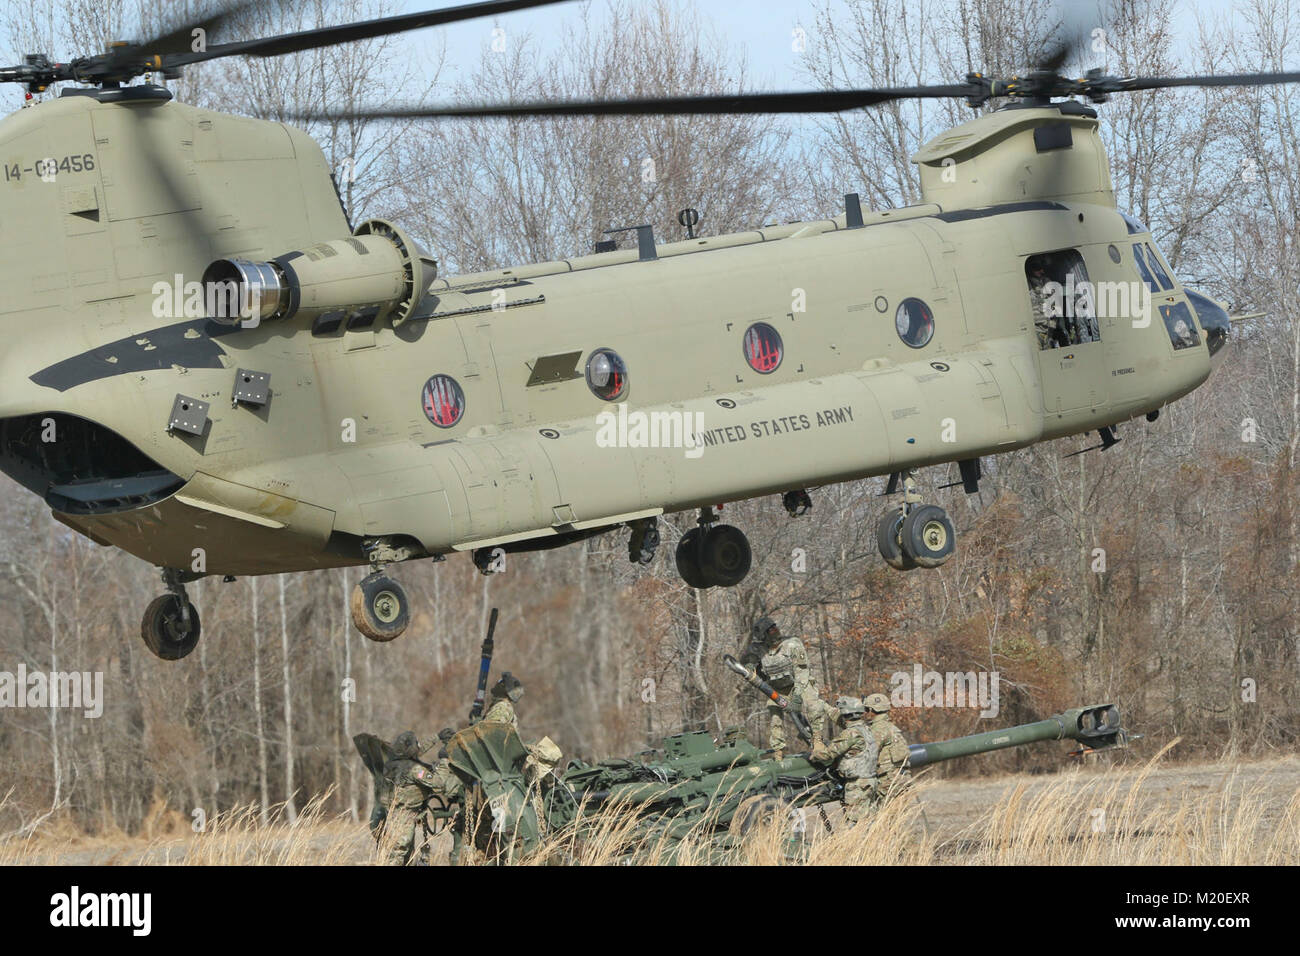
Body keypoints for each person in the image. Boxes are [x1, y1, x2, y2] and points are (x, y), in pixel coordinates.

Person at [742, 616, 831, 758]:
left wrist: (796, 697)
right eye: (770, 630)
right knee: (774, 715)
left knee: (813, 705)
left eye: (774, 627)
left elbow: (802, 671)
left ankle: (818, 740)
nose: (774, 631)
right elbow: (748, 658)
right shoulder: (759, 649)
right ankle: (778, 750)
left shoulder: (792, 644)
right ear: (763, 635)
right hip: (778, 689)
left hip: (799, 683)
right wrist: (750, 664)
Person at [809, 696, 879, 825]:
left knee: (854, 823)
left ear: (845, 714)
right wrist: (824, 706)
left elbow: (828, 754)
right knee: (870, 821)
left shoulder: (850, 733)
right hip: (870, 780)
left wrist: (815, 751)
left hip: (857, 785)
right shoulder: (866, 729)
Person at [863, 693, 912, 802]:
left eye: (866, 709)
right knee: (897, 816)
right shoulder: (891, 727)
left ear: (871, 710)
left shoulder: (878, 730)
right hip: (901, 778)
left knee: (885, 817)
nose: (865, 713)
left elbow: (865, 755)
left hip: (888, 782)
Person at [1027, 258, 1062, 349]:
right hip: (1036, 330)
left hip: (1049, 330)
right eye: (1037, 268)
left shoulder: (1047, 281)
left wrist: (1052, 327)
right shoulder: (1027, 283)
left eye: (1042, 268)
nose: (1041, 271)